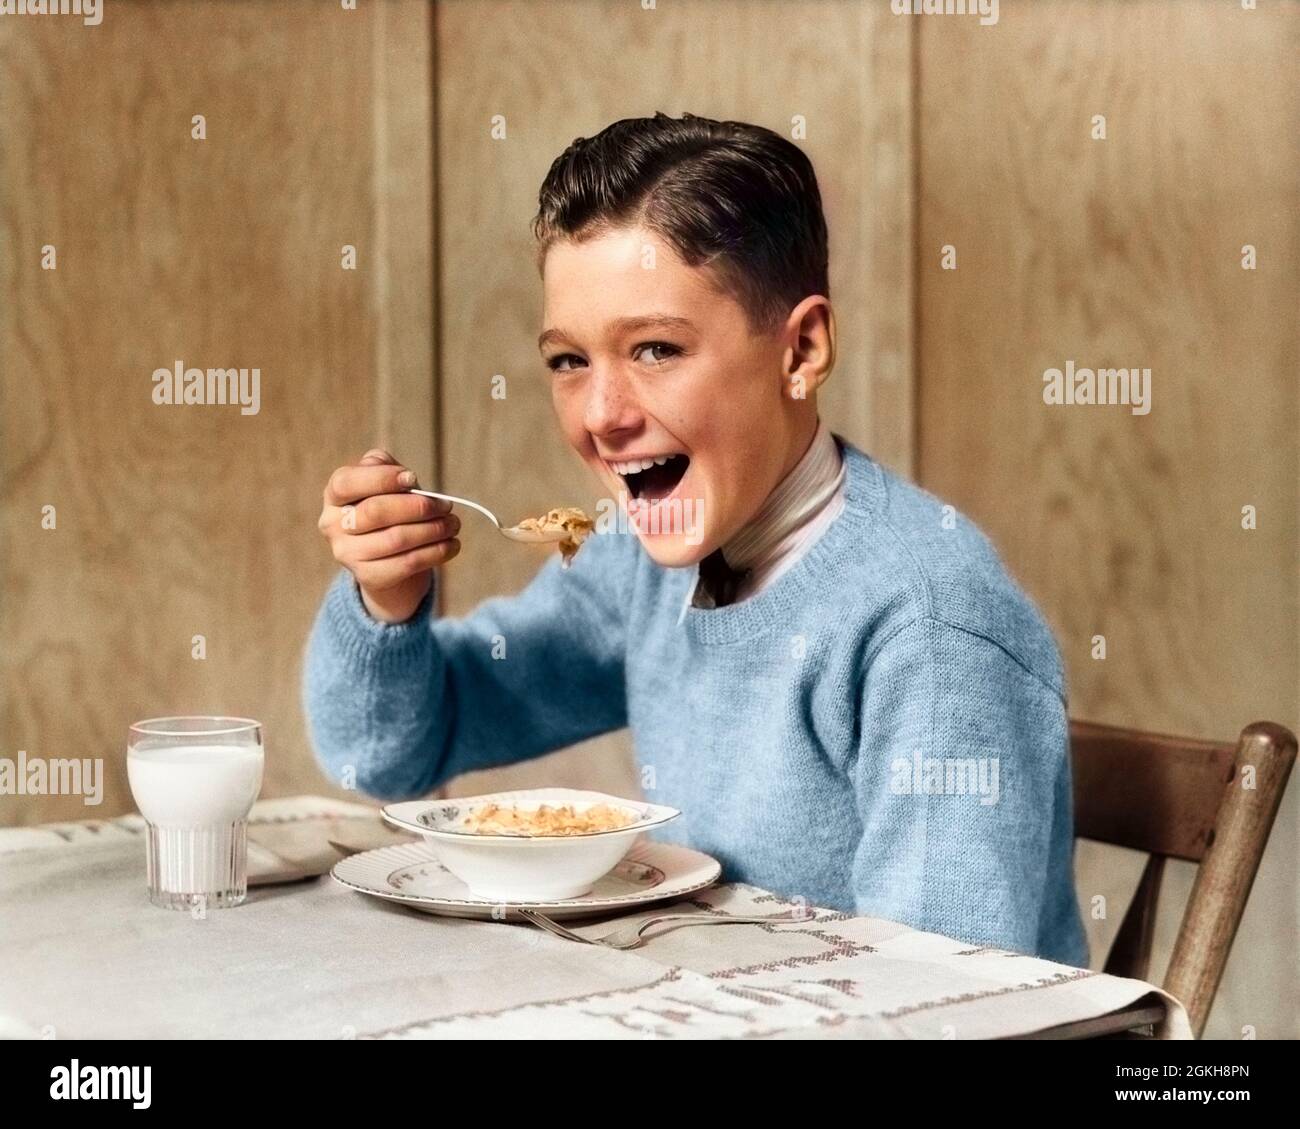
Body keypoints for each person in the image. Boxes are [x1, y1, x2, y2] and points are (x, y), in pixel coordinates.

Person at [303, 112, 1089, 967]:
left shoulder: (930, 631)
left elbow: (947, 1010)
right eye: (569, 361)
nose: (603, 414)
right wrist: (387, 599)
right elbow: (387, 751)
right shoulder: (639, 566)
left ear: (802, 349)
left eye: (656, 349)